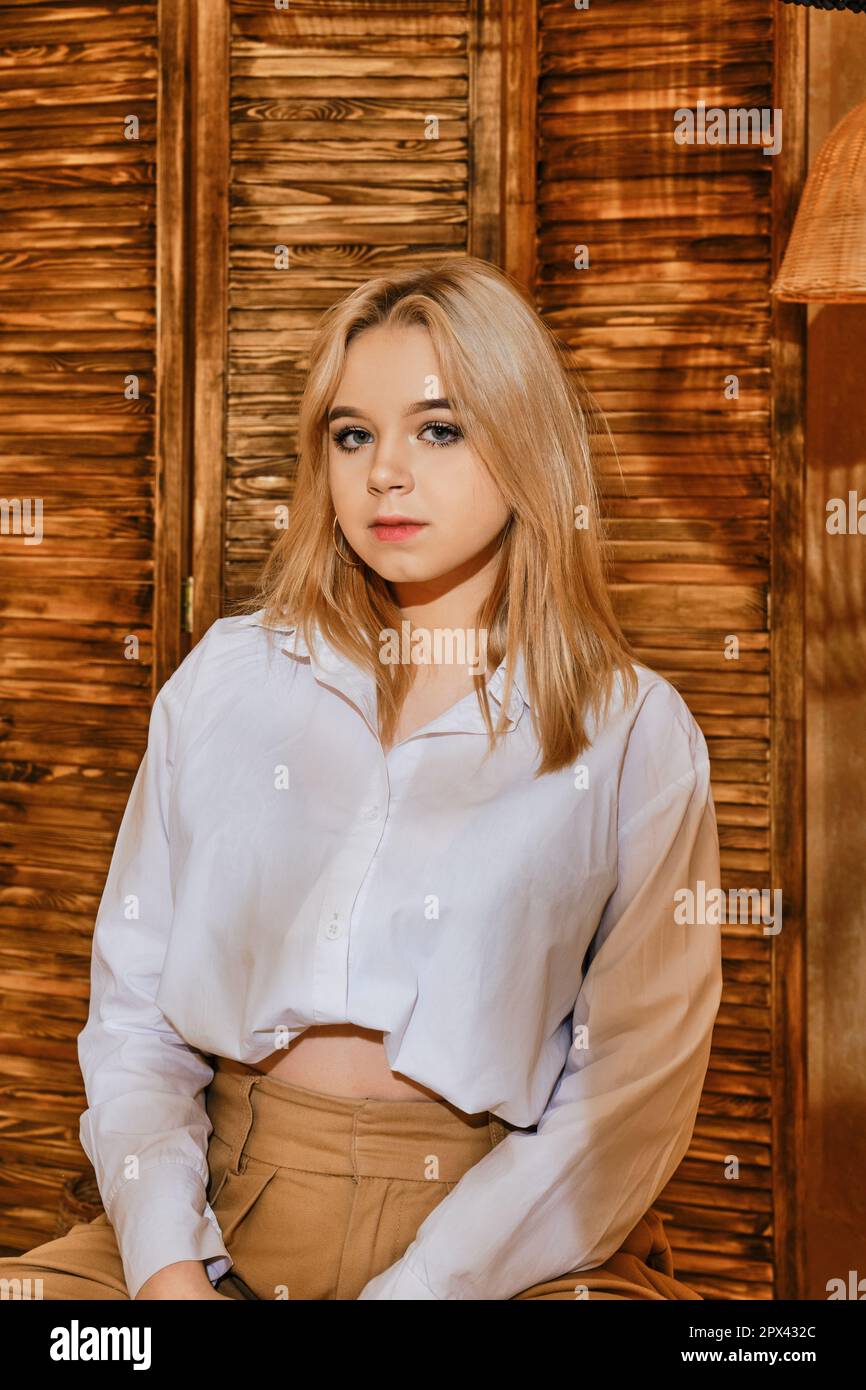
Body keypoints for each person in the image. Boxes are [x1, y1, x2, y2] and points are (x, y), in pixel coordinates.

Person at [0, 256, 722, 1301]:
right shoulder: (225, 682)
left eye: (438, 429)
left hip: (498, 1245)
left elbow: (626, 1097)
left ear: (524, 443)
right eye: (352, 434)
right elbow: (134, 1022)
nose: (386, 470)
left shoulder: (632, 734)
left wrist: (417, 1292)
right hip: (219, 1204)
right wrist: (166, 1271)